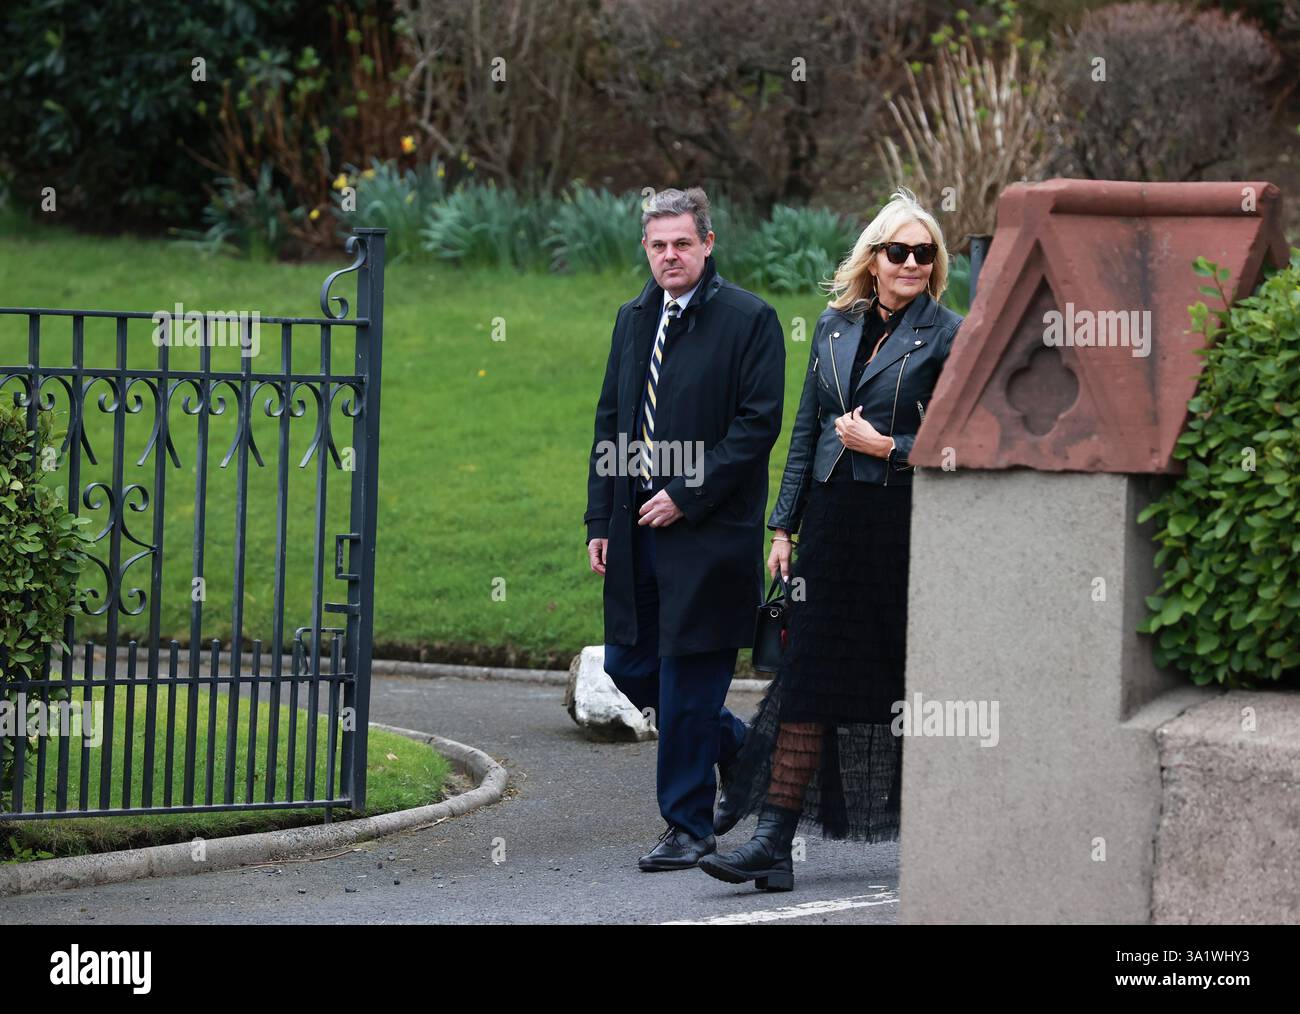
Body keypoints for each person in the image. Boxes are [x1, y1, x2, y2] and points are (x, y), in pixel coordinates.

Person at [699, 187, 963, 892]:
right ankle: (771, 845)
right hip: (830, 527)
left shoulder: (947, 333)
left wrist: (889, 445)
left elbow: (960, 442)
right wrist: (783, 524)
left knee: (908, 689)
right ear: (873, 258)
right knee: (810, 678)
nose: (911, 262)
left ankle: (963, 835)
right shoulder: (833, 326)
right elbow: (808, 428)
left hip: (899, 528)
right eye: (898, 250)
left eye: (923, 253)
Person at [585, 187, 786, 872]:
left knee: (688, 677)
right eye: (657, 245)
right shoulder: (633, 317)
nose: (669, 256)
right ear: (646, 248)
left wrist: (686, 495)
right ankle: (746, 752)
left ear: (707, 243)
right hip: (635, 527)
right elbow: (611, 422)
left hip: (709, 533)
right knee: (628, 663)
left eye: (681, 243)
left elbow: (757, 427)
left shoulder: (749, 320)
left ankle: (689, 826)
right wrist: (599, 518)